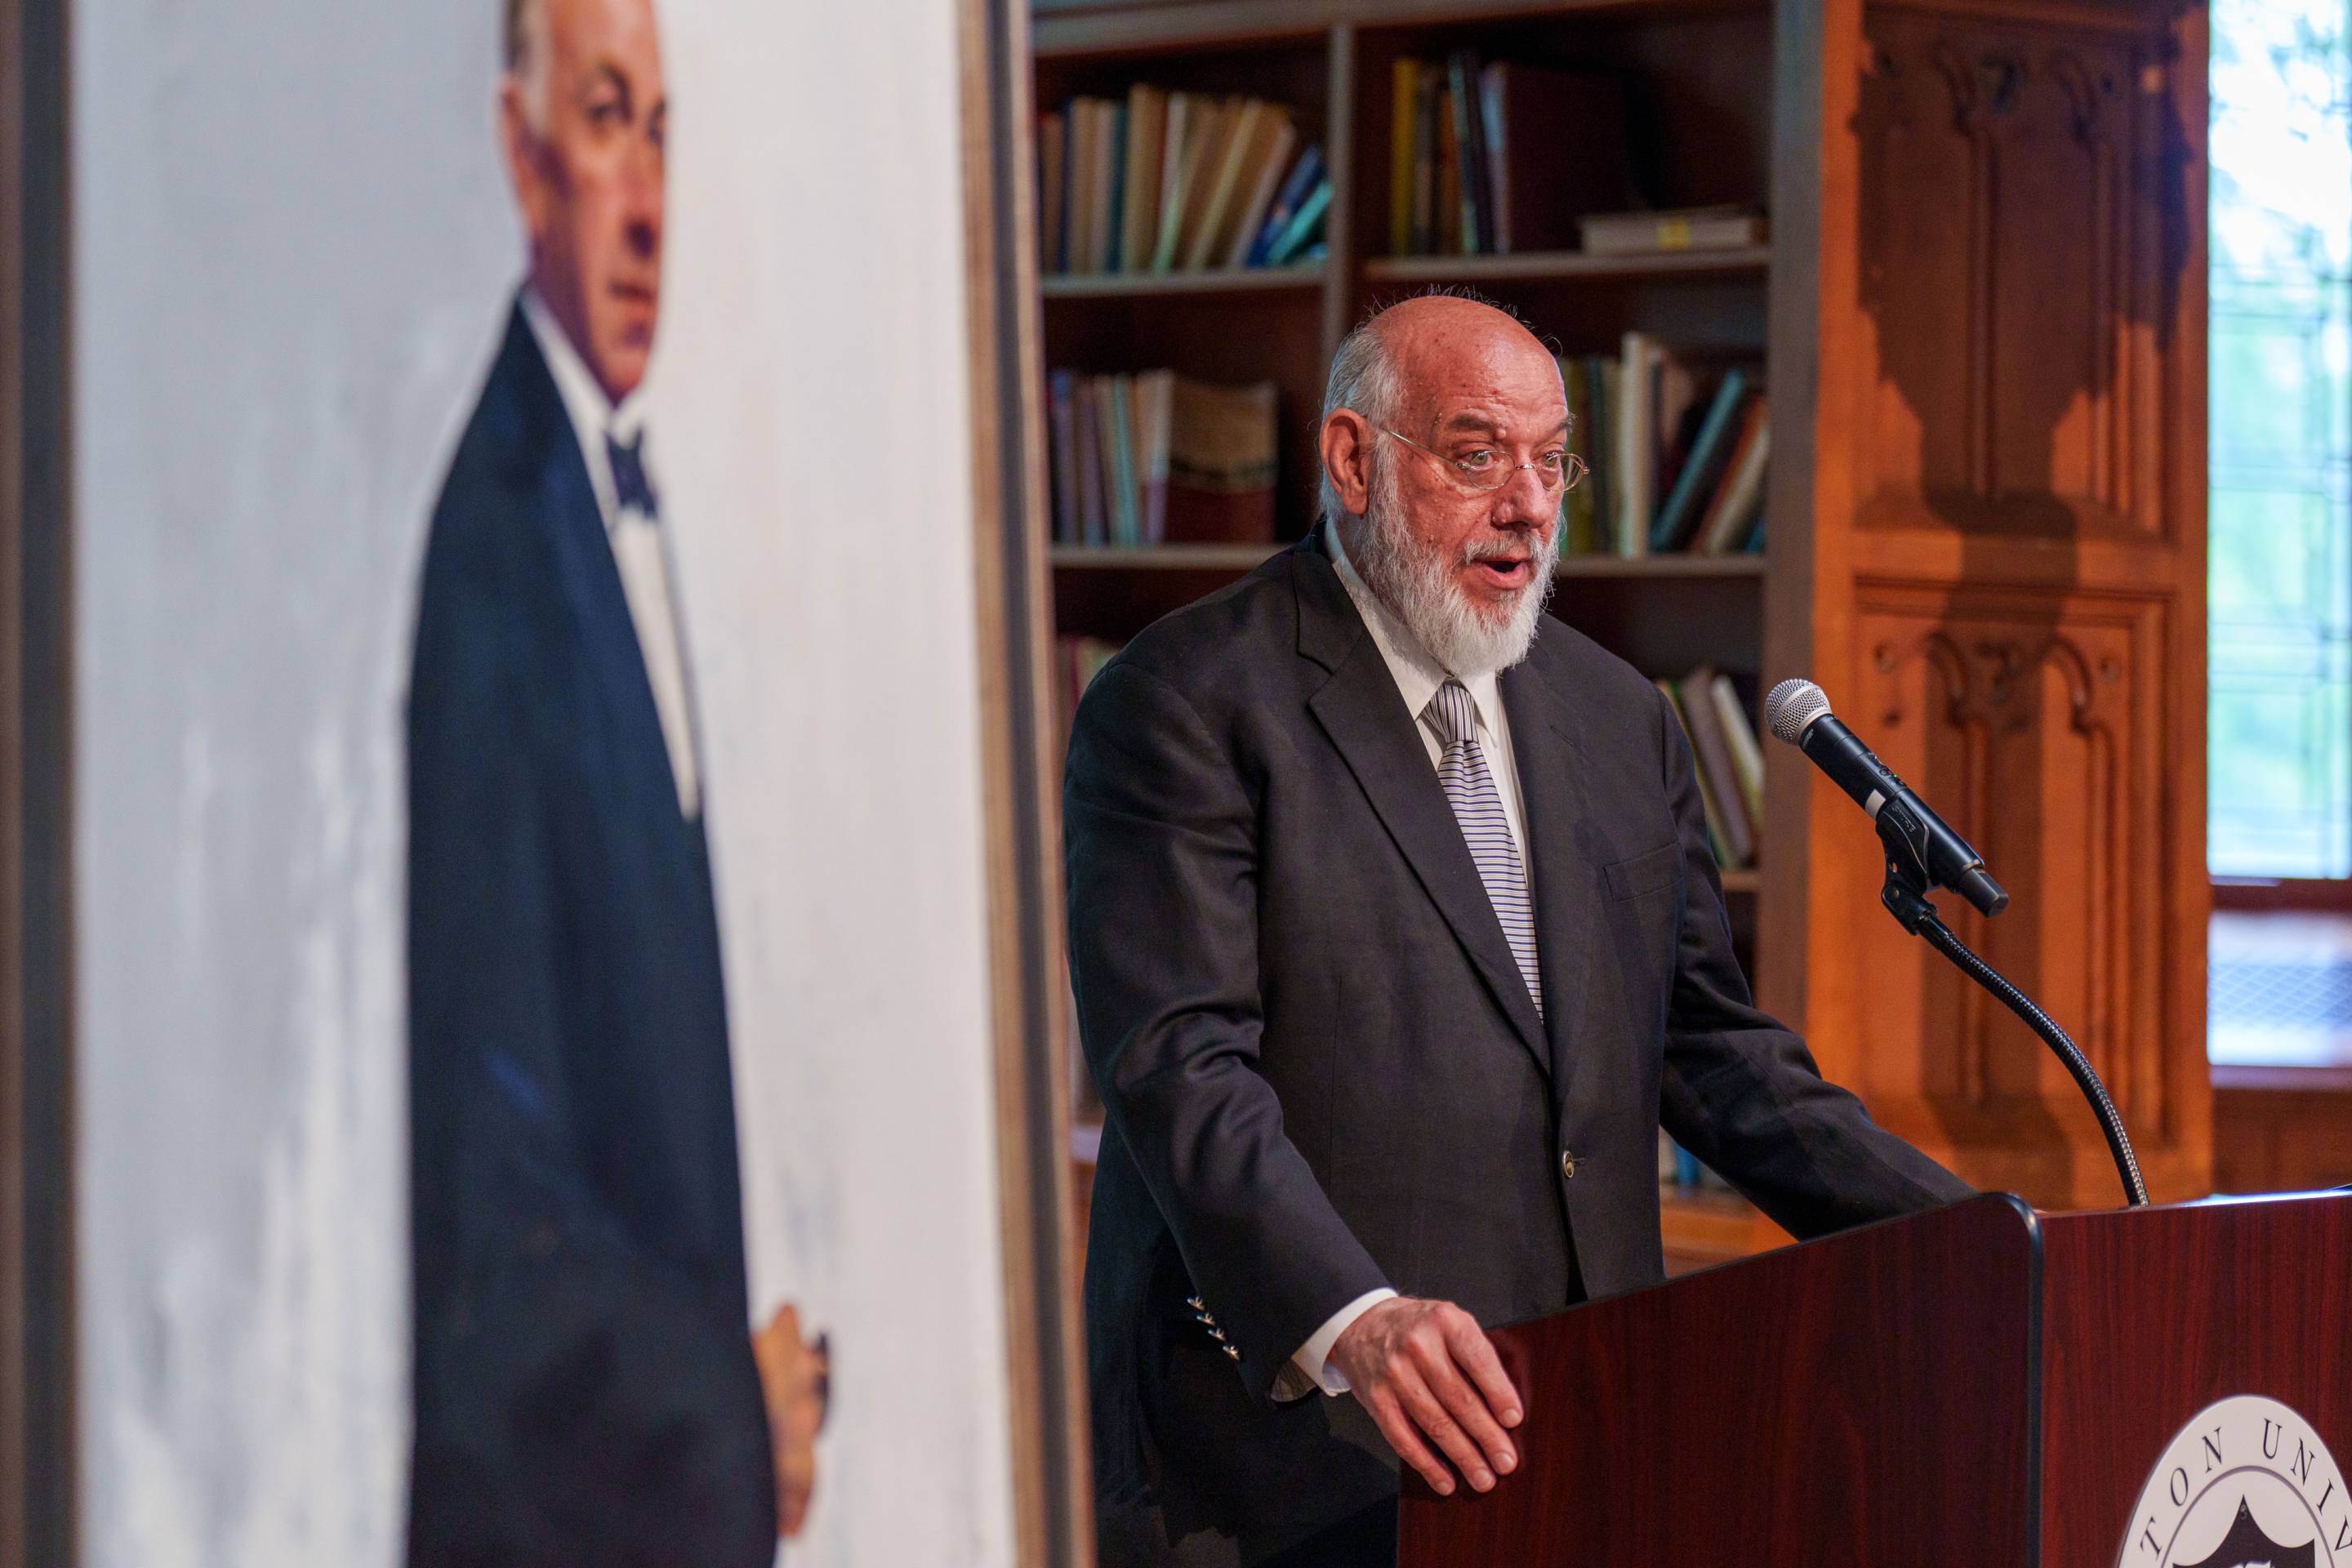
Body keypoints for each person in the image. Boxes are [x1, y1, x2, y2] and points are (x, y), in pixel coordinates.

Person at [1064, 294, 1975, 1567]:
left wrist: (1987, 1241)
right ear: (1354, 460)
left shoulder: (1618, 718)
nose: (1530, 506)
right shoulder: (1187, 702)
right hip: (1294, 1466)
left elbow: (1711, 1054)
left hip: (1581, 1436)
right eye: (1478, 454)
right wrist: (1356, 1318)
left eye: (1553, 462)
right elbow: (1180, 1073)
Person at [404, 1, 825, 1560]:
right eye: (601, 122)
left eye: (663, 130)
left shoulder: (597, 494)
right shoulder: (496, 549)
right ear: (521, 161)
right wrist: (727, 1403)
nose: (646, 196)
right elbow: (490, 1198)